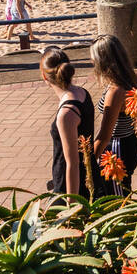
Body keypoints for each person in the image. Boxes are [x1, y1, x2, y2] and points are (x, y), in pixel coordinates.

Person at [41, 47, 98, 196]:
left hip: (72, 186)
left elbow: (72, 163)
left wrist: (70, 205)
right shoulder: (83, 93)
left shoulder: (67, 113)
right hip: (90, 172)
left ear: (44, 76)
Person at [90, 34, 137, 196]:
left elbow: (105, 135)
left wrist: (88, 162)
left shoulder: (115, 91)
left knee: (117, 196)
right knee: (122, 189)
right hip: (130, 141)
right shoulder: (130, 79)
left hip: (117, 147)